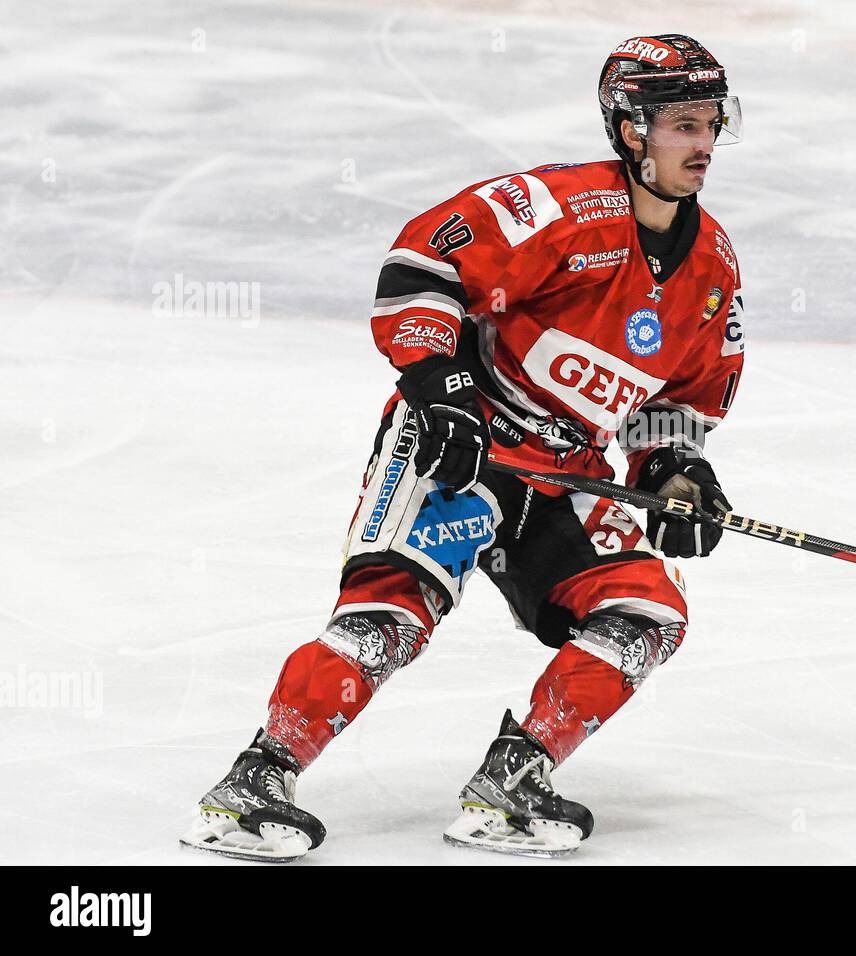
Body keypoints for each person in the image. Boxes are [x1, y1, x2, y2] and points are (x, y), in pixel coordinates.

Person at [182, 33, 746, 860]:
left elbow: (676, 400)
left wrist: (676, 473)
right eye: (684, 125)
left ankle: (513, 783)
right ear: (631, 130)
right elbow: (419, 268)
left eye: (711, 124)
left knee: (645, 614)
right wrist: (443, 392)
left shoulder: (713, 268)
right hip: (462, 448)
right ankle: (254, 783)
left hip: (561, 472)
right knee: (389, 621)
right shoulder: (558, 209)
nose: (703, 145)